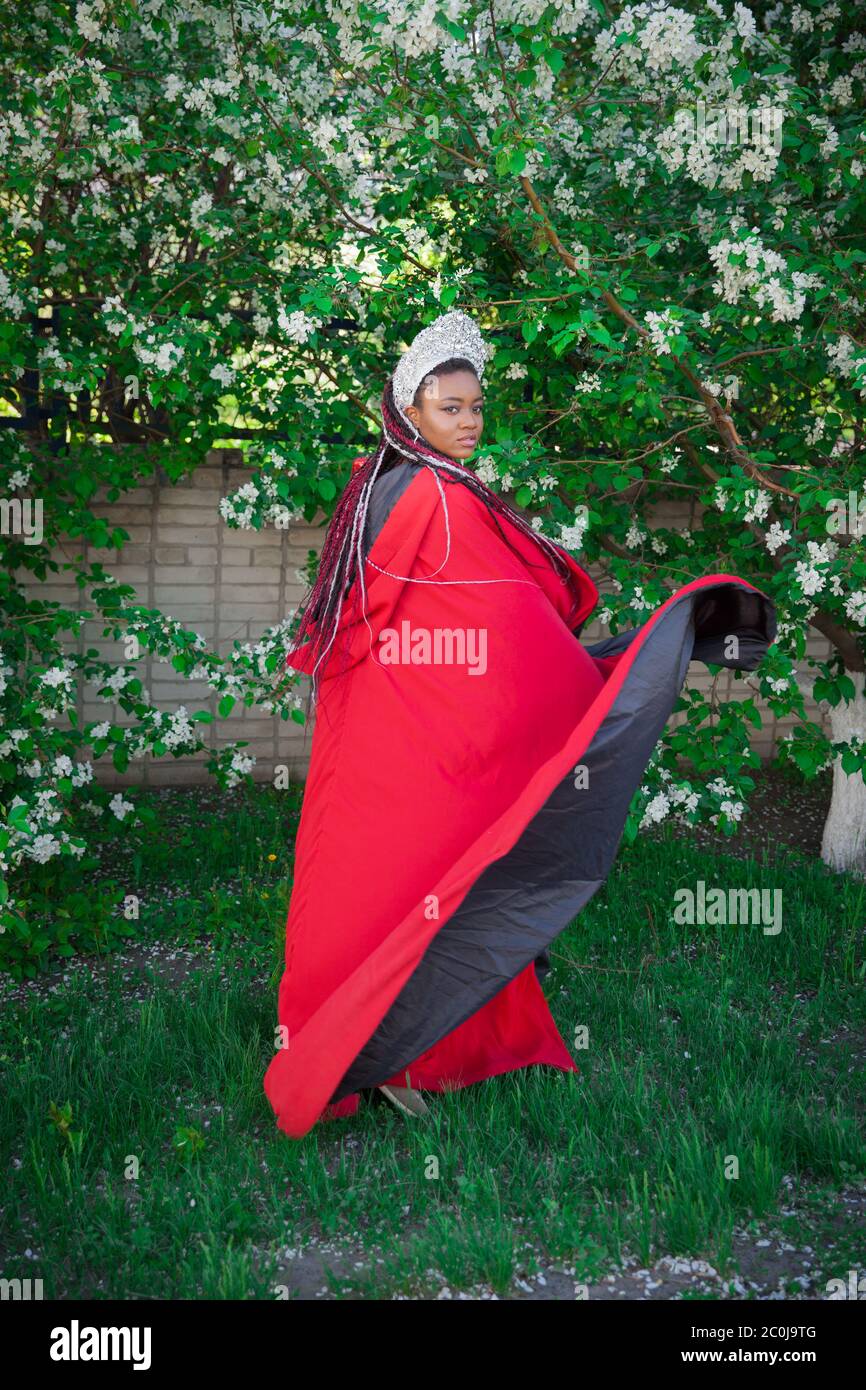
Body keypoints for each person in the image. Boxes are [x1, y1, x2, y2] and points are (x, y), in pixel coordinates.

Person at [263, 310, 776, 1139]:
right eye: (450, 409)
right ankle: (393, 1053)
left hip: (375, 741)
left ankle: (356, 1043)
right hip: (416, 743)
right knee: (427, 878)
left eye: (474, 408)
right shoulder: (431, 494)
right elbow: (504, 627)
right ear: (410, 411)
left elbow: (419, 623)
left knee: (371, 882)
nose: (468, 424)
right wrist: (599, 680)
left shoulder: (382, 482)